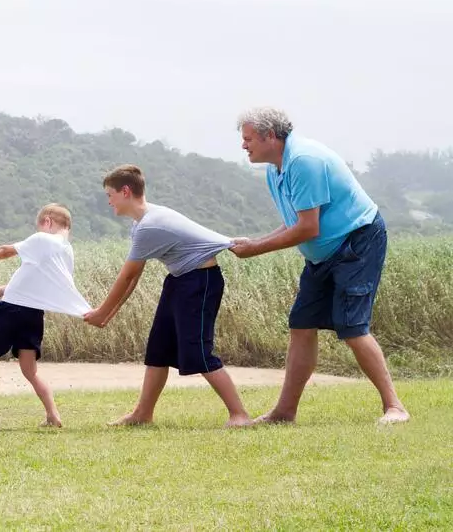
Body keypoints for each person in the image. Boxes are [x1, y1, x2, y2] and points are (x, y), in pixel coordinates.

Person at [231, 107, 409, 424]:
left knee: (352, 327)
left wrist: (255, 248)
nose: (244, 146)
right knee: (301, 325)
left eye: (248, 139)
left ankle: (394, 407)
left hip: (357, 241)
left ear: (270, 136)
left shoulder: (303, 161)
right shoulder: (276, 167)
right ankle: (284, 412)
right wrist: (255, 240)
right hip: (322, 254)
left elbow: (307, 228)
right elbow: (294, 223)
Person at [83, 164, 252, 428]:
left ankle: (239, 414)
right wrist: (107, 315)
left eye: (110, 195)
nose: (108, 202)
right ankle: (142, 414)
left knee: (198, 350)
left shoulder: (150, 226)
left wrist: (102, 312)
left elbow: (127, 275)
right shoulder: (144, 223)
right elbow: (134, 278)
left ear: (125, 191)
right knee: (158, 349)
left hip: (200, 282)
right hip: (179, 280)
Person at [0, 203, 90, 430]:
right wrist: (2, 289)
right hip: (33, 314)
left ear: (47, 221)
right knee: (30, 370)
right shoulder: (66, 251)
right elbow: (34, 279)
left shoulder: (41, 239)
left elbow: (4, 251)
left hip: (10, 311)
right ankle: (52, 415)